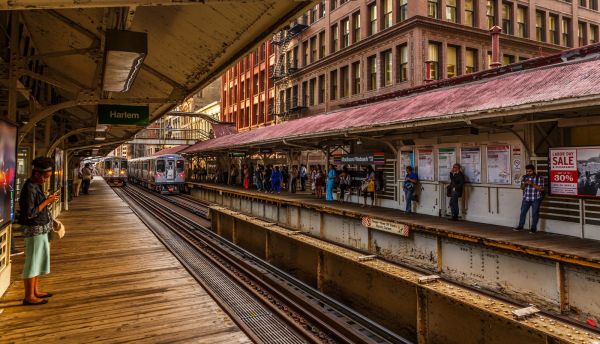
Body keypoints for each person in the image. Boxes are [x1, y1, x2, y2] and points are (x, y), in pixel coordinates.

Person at [19, 157, 59, 305]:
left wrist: (47, 200)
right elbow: (30, 213)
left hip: (41, 228)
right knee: (32, 262)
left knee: (37, 261)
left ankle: (35, 291)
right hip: (34, 230)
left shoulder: (35, 186)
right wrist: (47, 201)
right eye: (45, 177)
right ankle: (29, 296)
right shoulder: (29, 188)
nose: (46, 180)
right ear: (37, 174)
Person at [515, 164, 545, 233]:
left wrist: (532, 184)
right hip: (526, 198)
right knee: (523, 212)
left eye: (530, 171)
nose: (528, 173)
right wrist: (524, 184)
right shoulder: (524, 177)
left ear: (534, 170)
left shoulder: (540, 177)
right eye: (527, 171)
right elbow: (522, 188)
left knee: (535, 213)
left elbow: (541, 189)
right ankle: (520, 226)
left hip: (536, 198)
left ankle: (533, 228)